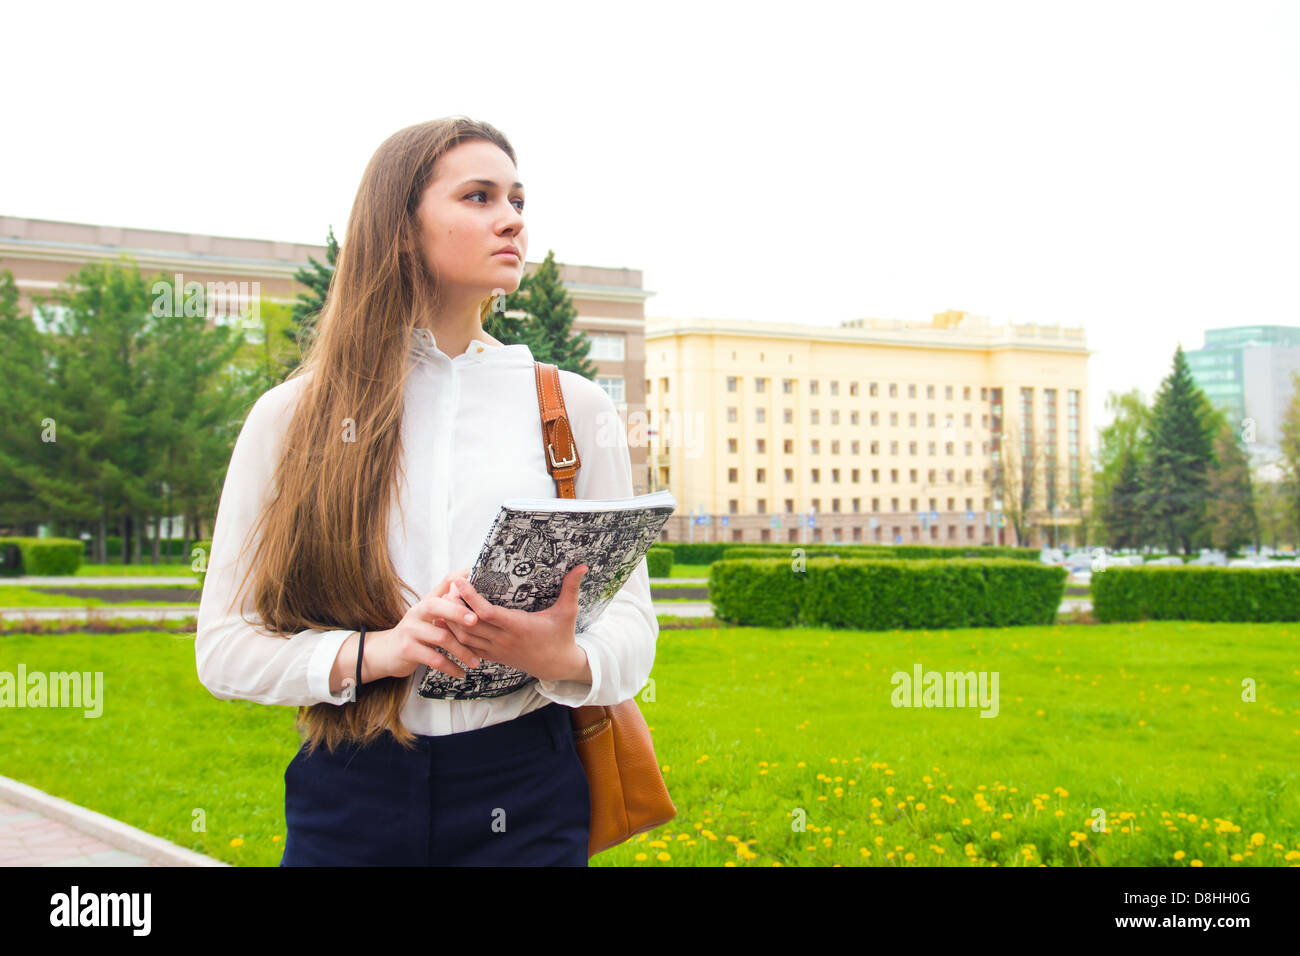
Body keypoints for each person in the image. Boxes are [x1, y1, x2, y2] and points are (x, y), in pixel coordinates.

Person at [194, 117, 659, 866]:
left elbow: (633, 628)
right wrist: (377, 652)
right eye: (479, 197)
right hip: (352, 786)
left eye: (517, 200)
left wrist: (565, 655)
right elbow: (223, 649)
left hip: (528, 788)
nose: (512, 219)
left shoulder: (573, 408)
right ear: (401, 228)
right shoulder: (292, 417)